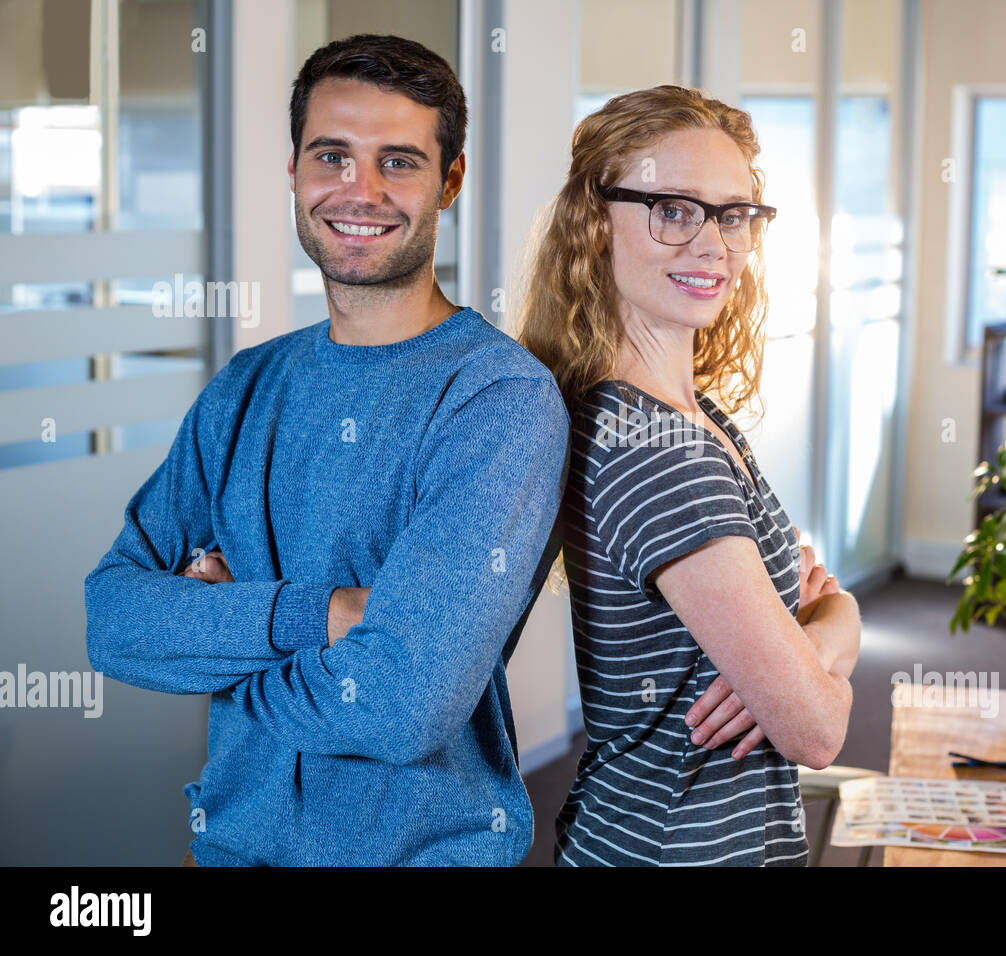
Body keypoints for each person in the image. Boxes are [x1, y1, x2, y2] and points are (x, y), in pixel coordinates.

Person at [84, 34, 569, 866]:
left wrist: (219, 640)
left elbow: (400, 705)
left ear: (450, 180)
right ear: (295, 170)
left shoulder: (498, 401)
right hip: (233, 849)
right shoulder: (246, 388)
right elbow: (113, 620)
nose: (361, 190)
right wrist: (330, 613)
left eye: (400, 162)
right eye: (333, 156)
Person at [517, 85, 860, 866]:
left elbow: (803, 633)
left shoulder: (684, 411)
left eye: (734, 213)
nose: (716, 245)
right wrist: (836, 631)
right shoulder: (659, 449)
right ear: (594, 222)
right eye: (674, 209)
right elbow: (816, 729)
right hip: (672, 843)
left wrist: (820, 633)